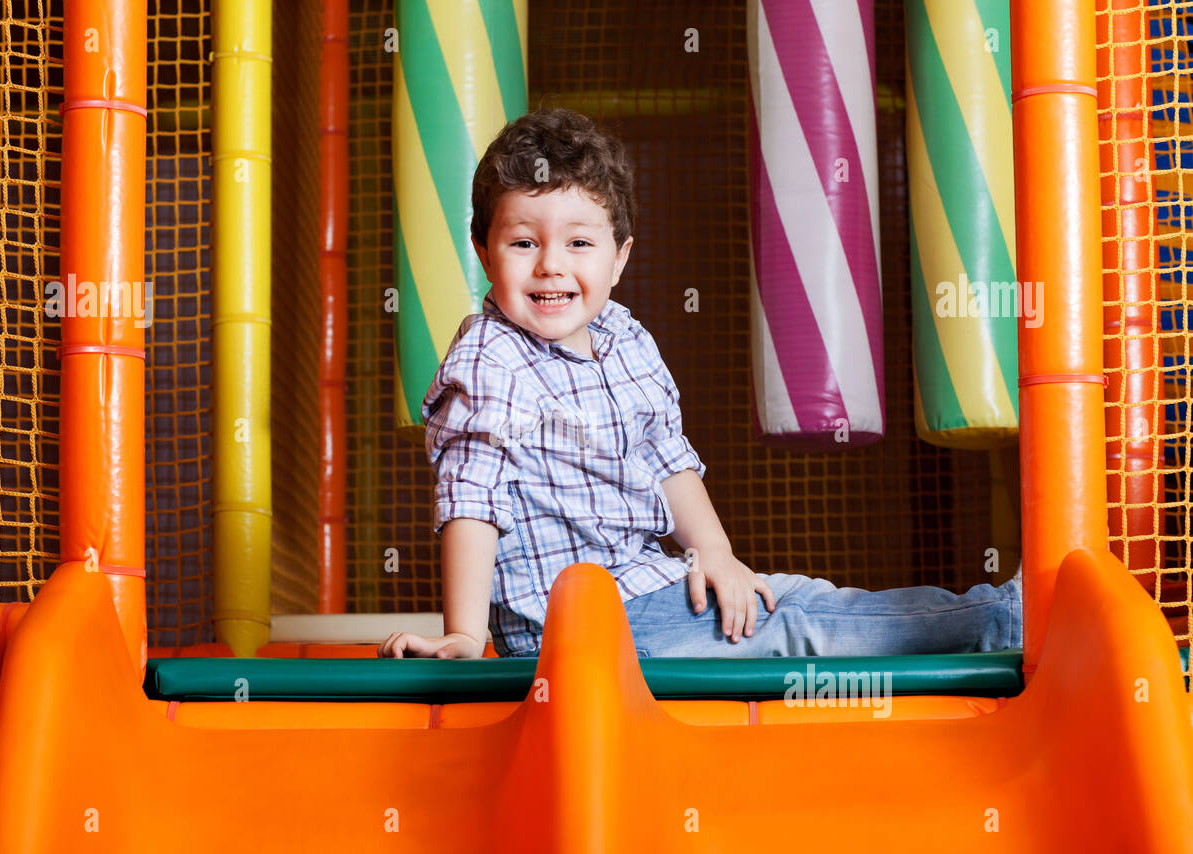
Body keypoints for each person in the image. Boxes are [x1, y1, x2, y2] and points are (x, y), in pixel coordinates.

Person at [378, 107, 1022, 660]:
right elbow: (471, 493)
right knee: (792, 624)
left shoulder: (624, 339)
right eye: (523, 243)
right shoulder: (492, 354)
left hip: (644, 590)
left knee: (792, 598)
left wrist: (715, 554)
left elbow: (666, 459)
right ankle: (996, 621)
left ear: (619, 257)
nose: (551, 265)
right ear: (484, 252)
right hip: (573, 627)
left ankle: (981, 614)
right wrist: (463, 633)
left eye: (578, 242)